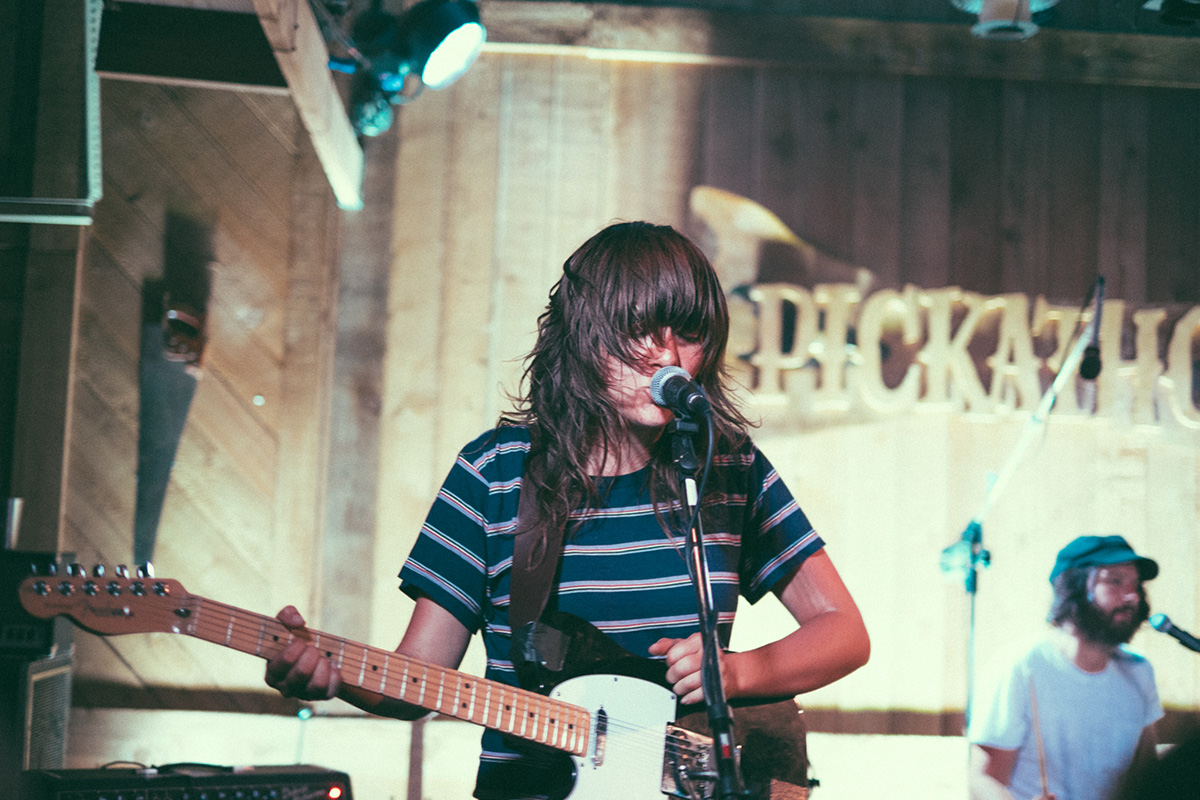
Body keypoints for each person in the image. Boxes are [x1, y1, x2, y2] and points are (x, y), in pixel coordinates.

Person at [264, 221, 871, 799]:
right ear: (585, 335)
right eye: (640, 330)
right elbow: (419, 677)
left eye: (687, 334)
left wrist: (739, 673)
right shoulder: (496, 473)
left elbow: (844, 633)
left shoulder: (728, 472)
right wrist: (329, 671)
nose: (668, 358)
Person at [967, 535, 1163, 800]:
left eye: (1136, 584)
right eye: (1115, 581)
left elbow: (1147, 778)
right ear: (1074, 586)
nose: (1131, 596)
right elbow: (983, 781)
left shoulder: (1138, 671)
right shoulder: (1020, 668)